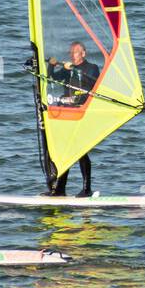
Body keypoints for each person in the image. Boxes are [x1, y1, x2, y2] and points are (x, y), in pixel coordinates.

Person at [44, 41, 99, 197]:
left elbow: (93, 83)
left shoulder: (92, 68)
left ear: (83, 53)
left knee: (80, 150)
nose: (72, 55)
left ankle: (87, 189)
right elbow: (50, 78)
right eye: (70, 52)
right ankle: (60, 189)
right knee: (63, 151)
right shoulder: (66, 70)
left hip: (82, 113)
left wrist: (73, 70)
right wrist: (52, 66)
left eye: (75, 52)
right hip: (66, 113)